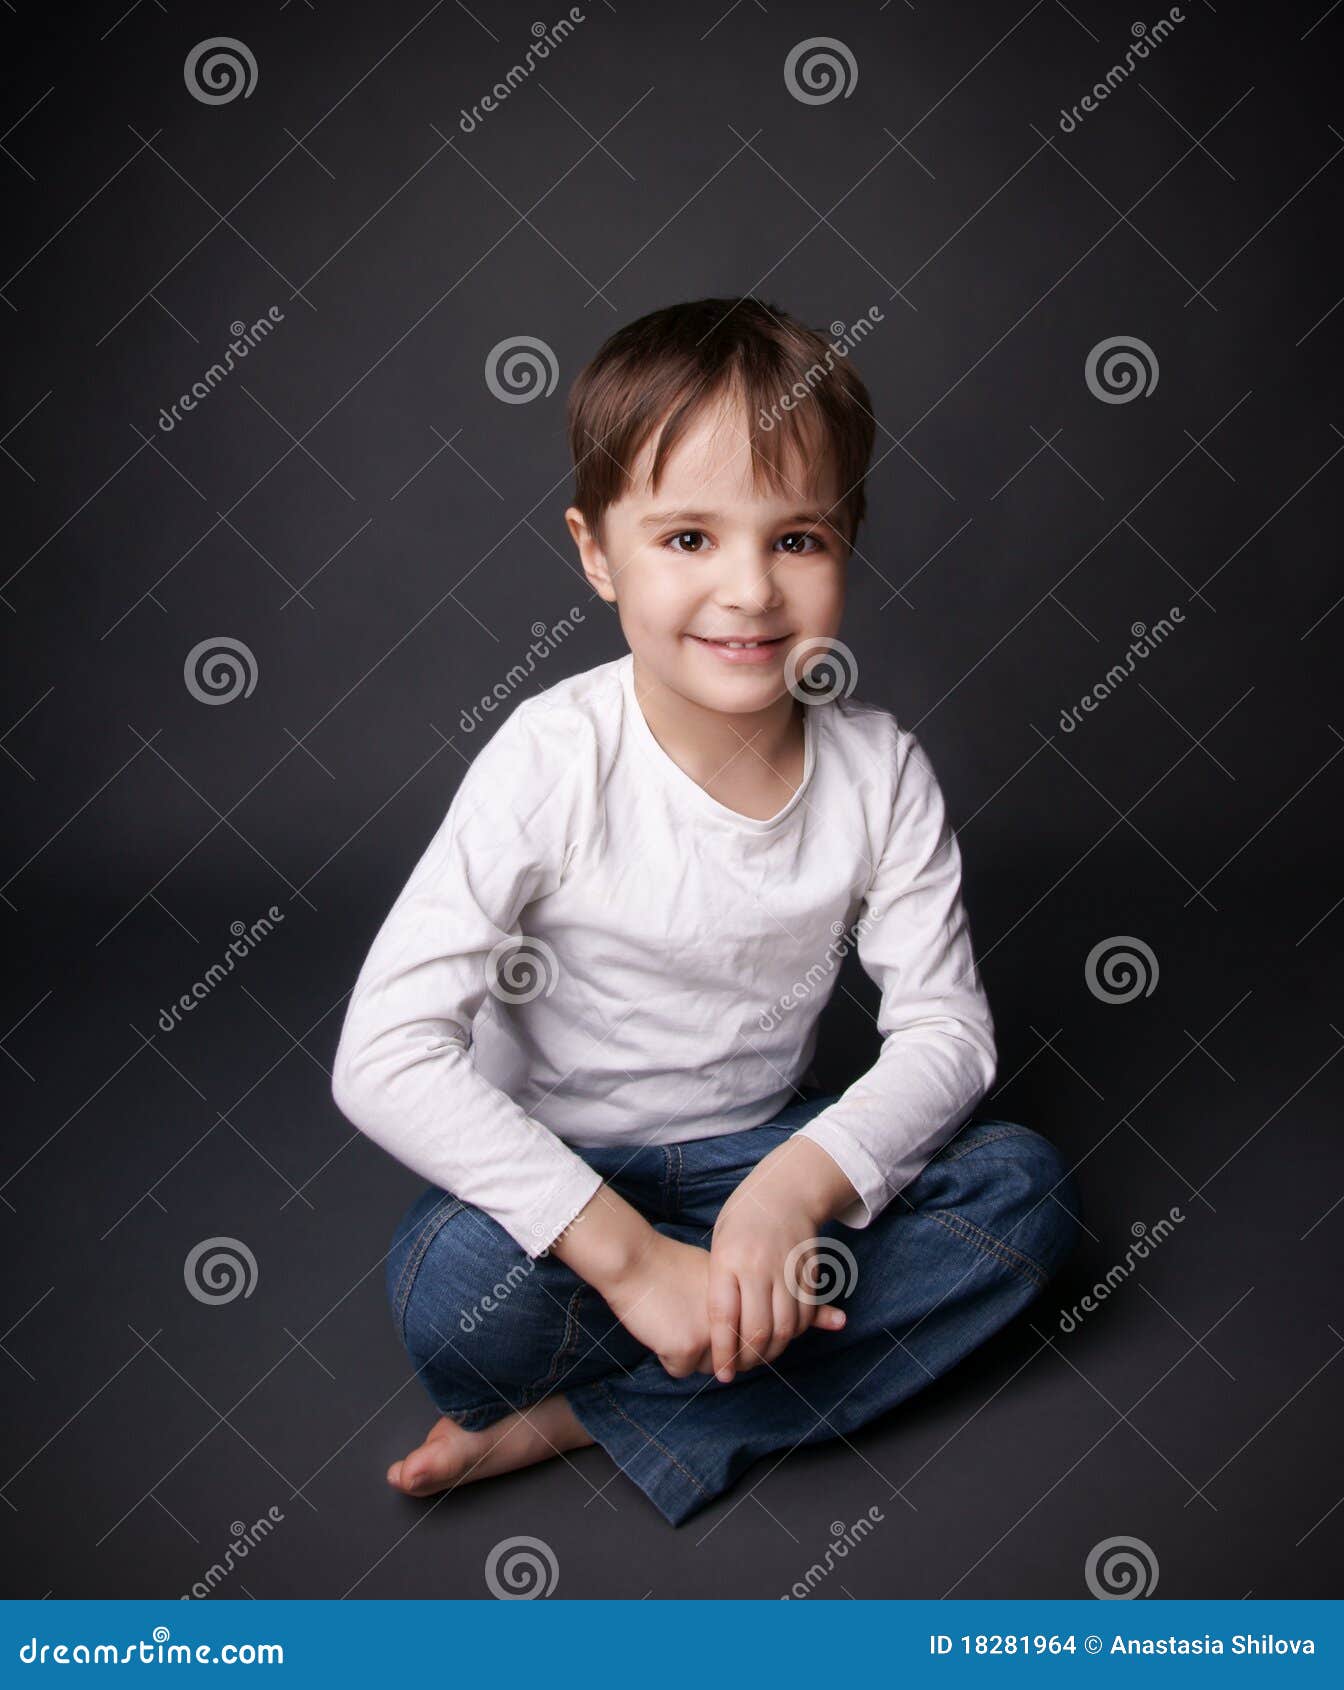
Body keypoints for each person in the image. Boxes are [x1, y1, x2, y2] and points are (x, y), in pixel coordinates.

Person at [331, 297, 1080, 1527]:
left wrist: (790, 1192)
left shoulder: (881, 771)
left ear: (849, 540)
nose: (747, 590)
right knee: (449, 1286)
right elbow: (383, 1054)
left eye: (797, 539)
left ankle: (604, 1416)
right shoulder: (553, 757)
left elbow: (949, 1037)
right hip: (572, 1181)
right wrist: (628, 1261)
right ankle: (690, 1337)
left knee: (1024, 1195)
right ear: (596, 550)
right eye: (687, 536)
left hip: (759, 1152)